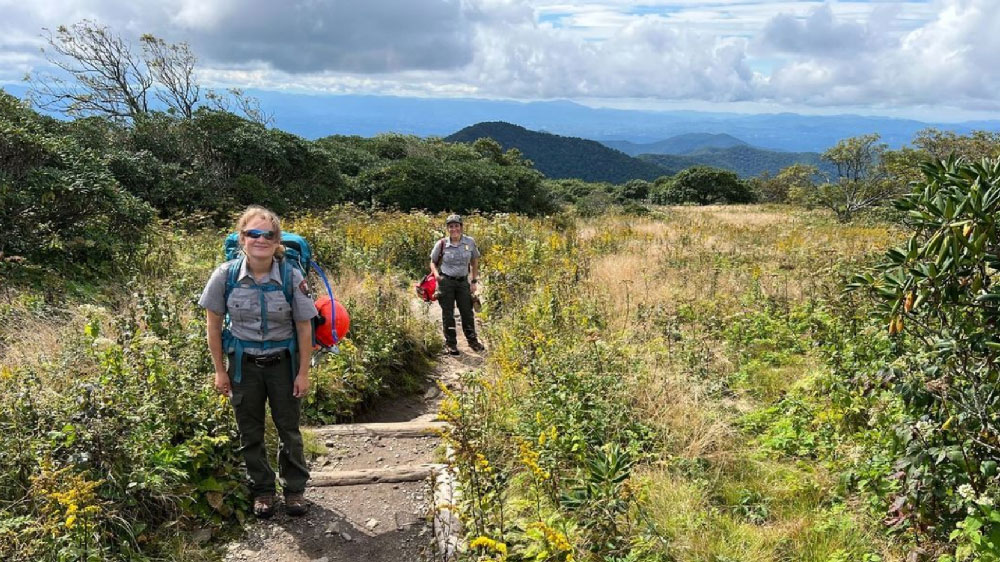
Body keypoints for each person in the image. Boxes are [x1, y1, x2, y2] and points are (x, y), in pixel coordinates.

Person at [199, 206, 318, 518]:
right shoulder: (224, 276)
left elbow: (305, 326)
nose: (260, 239)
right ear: (242, 238)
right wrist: (219, 371)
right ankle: (263, 491)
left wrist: (303, 372)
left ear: (277, 240)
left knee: (288, 429)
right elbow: (213, 325)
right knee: (249, 430)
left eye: (268, 234)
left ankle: (294, 490)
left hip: (284, 364)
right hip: (243, 366)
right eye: (253, 233)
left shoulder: (292, 276)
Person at [430, 214, 485, 355]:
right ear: (447, 228)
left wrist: (473, 280)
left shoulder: (469, 242)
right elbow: (433, 262)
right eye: (451, 226)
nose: (454, 229)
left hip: (462, 282)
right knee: (448, 313)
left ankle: (473, 341)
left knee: (467, 312)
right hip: (446, 282)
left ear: (461, 227)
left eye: (456, 226)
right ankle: (451, 344)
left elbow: (474, 261)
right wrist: (436, 276)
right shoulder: (442, 244)